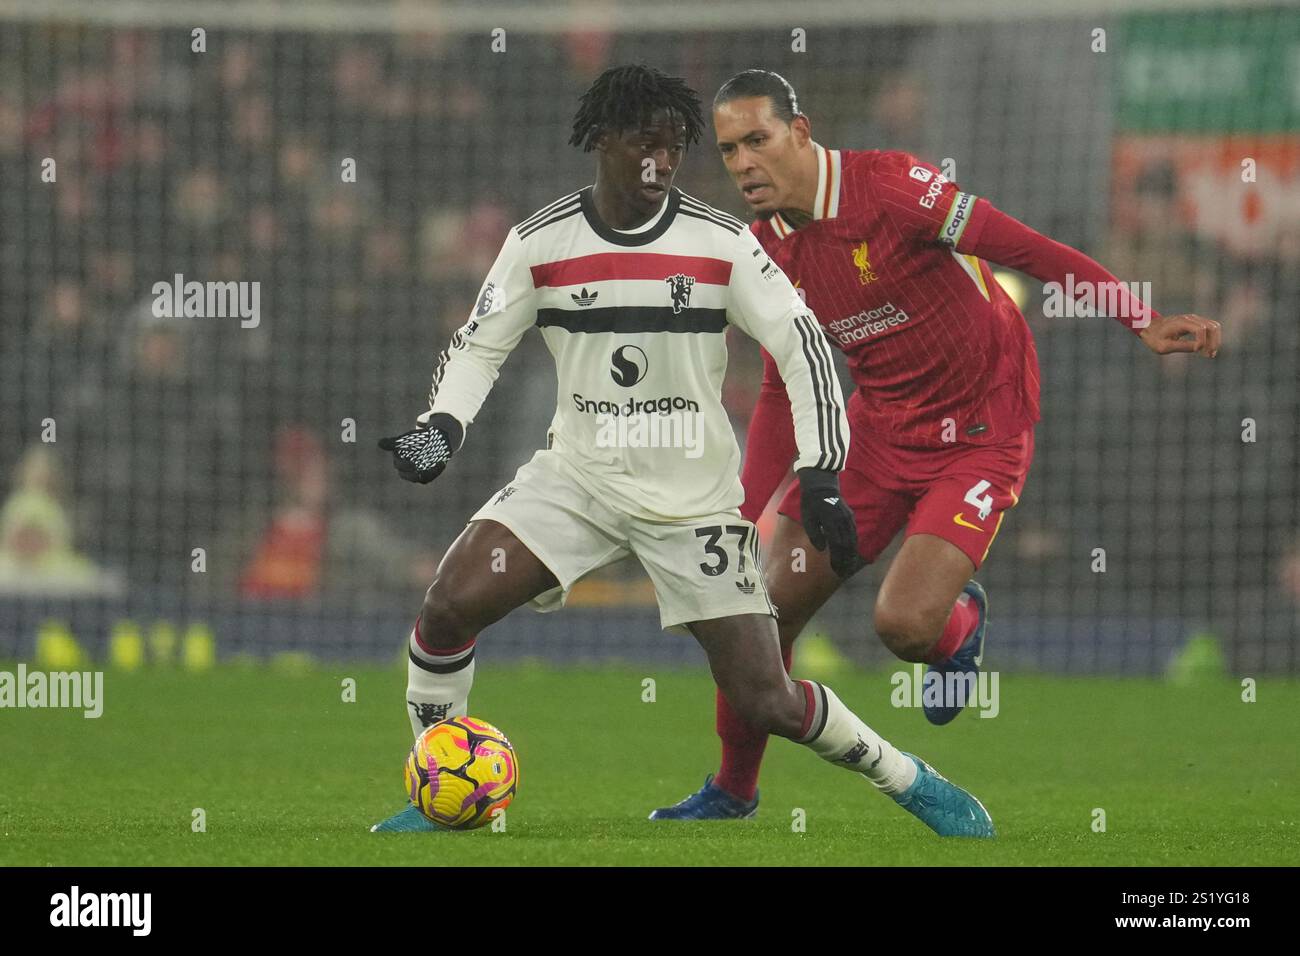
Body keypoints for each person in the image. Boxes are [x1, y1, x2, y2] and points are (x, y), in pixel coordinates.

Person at [371, 65, 993, 837]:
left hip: (692, 504)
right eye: (644, 146)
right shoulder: (538, 243)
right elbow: (478, 346)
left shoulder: (722, 243)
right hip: (578, 479)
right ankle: (436, 789)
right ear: (601, 141)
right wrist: (445, 425)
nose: (660, 164)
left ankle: (909, 779)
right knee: (446, 607)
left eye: (672, 149)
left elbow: (802, 346)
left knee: (766, 698)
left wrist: (822, 468)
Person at [651, 69, 1221, 820]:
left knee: (905, 626)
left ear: (800, 131)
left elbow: (1026, 248)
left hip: (984, 427)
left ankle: (959, 625)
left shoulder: (892, 186)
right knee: (758, 609)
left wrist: (1135, 314)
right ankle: (734, 789)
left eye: (758, 140)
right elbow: (782, 390)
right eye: (729, 150)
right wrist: (742, 510)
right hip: (879, 430)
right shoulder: (762, 253)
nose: (745, 162)